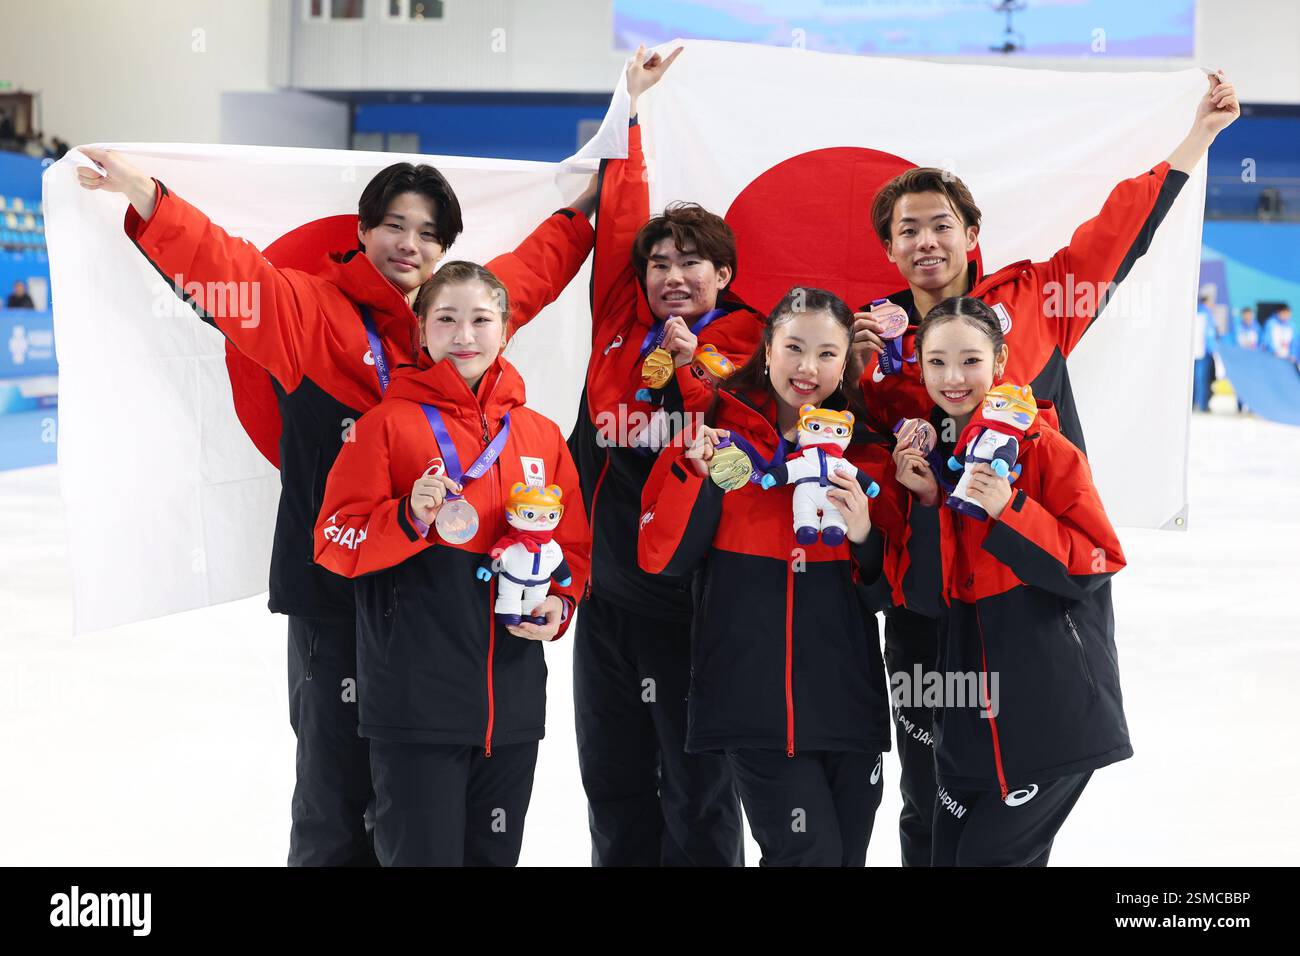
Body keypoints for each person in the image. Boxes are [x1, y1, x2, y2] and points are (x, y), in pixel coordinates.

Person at [78, 149, 596, 866]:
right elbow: (234, 274)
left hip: (433, 618)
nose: (408, 243)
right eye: (392, 224)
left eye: (426, 231)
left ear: (447, 251)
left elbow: (533, 269)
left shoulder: (456, 315)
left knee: (420, 814)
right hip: (335, 600)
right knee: (335, 804)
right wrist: (151, 198)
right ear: (362, 231)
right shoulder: (311, 312)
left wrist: (587, 207)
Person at [848, 70, 1238, 866]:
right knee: (929, 796)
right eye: (908, 230)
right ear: (888, 248)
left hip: (1029, 591)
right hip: (928, 599)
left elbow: (1116, 233)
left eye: (941, 224)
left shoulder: (1035, 300)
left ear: (970, 233)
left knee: (1014, 798)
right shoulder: (875, 346)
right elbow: (855, 457)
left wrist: (1194, 140)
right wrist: (854, 382)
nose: (926, 241)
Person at [314, 261, 590, 866]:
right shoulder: (383, 427)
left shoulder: (539, 435)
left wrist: (560, 602)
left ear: (507, 329)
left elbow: (572, 548)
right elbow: (334, 543)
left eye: (480, 319)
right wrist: (409, 520)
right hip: (415, 705)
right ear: (421, 332)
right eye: (446, 319)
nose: (464, 334)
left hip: (511, 706)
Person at [568, 45, 762, 866]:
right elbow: (620, 215)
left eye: (691, 262)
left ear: (724, 273)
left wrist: (689, 367)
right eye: (659, 263)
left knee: (697, 792)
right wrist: (631, 107)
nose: (672, 275)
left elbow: (734, 451)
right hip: (606, 600)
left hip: (694, 607)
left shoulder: (752, 340)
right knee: (612, 785)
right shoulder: (619, 323)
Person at [639, 287, 904, 866]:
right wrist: (699, 477)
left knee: (843, 858)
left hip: (848, 704)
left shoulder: (870, 455)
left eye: (827, 353)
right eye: (794, 347)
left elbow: (889, 594)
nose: (808, 368)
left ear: (847, 362)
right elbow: (661, 558)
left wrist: (862, 533)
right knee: (806, 855)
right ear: (767, 350)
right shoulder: (712, 432)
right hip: (750, 701)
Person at [891, 297, 1128, 866]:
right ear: (919, 368)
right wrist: (925, 503)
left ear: (999, 363)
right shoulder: (933, 463)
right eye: (937, 362)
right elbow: (924, 600)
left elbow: (1097, 560)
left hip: (1051, 719)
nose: (953, 378)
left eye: (970, 361)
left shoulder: (1042, 444)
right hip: (966, 730)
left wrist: (1012, 506)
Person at [1193, 292, 1217, 412]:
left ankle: (1192, 404)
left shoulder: (1192, 310)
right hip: (1203, 352)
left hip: (1192, 352)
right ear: (1206, 302)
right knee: (1202, 380)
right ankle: (1202, 404)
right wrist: (1214, 351)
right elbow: (1210, 335)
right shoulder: (1206, 314)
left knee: (1192, 379)